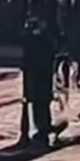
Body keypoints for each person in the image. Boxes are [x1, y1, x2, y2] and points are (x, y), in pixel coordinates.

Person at [22, 12, 61, 147]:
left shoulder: (38, 39)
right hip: (40, 73)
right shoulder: (39, 39)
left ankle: (42, 128)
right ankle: (42, 127)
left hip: (39, 73)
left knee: (40, 102)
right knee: (40, 102)